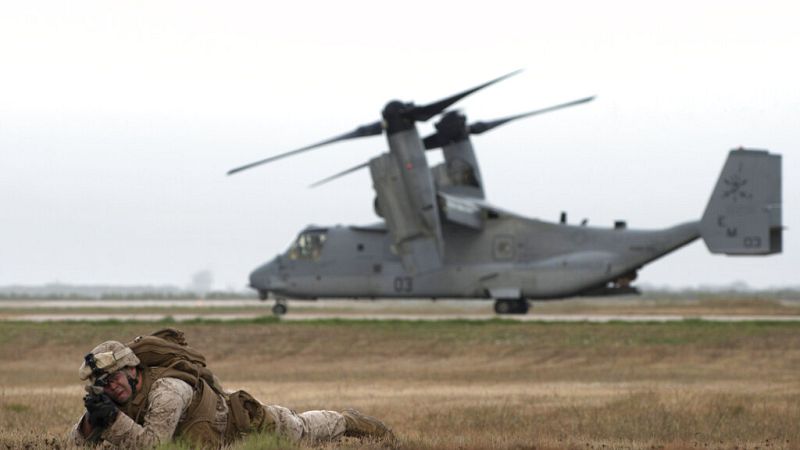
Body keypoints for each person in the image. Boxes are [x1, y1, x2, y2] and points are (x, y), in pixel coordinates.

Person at [69, 332, 392, 448]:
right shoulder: (113, 398)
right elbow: (76, 444)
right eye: (102, 383)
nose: (110, 387)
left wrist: (113, 421)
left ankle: (349, 421)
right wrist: (91, 420)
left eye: (113, 378)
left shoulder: (169, 389)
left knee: (305, 430)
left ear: (131, 370)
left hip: (250, 428)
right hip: (212, 439)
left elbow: (155, 446)